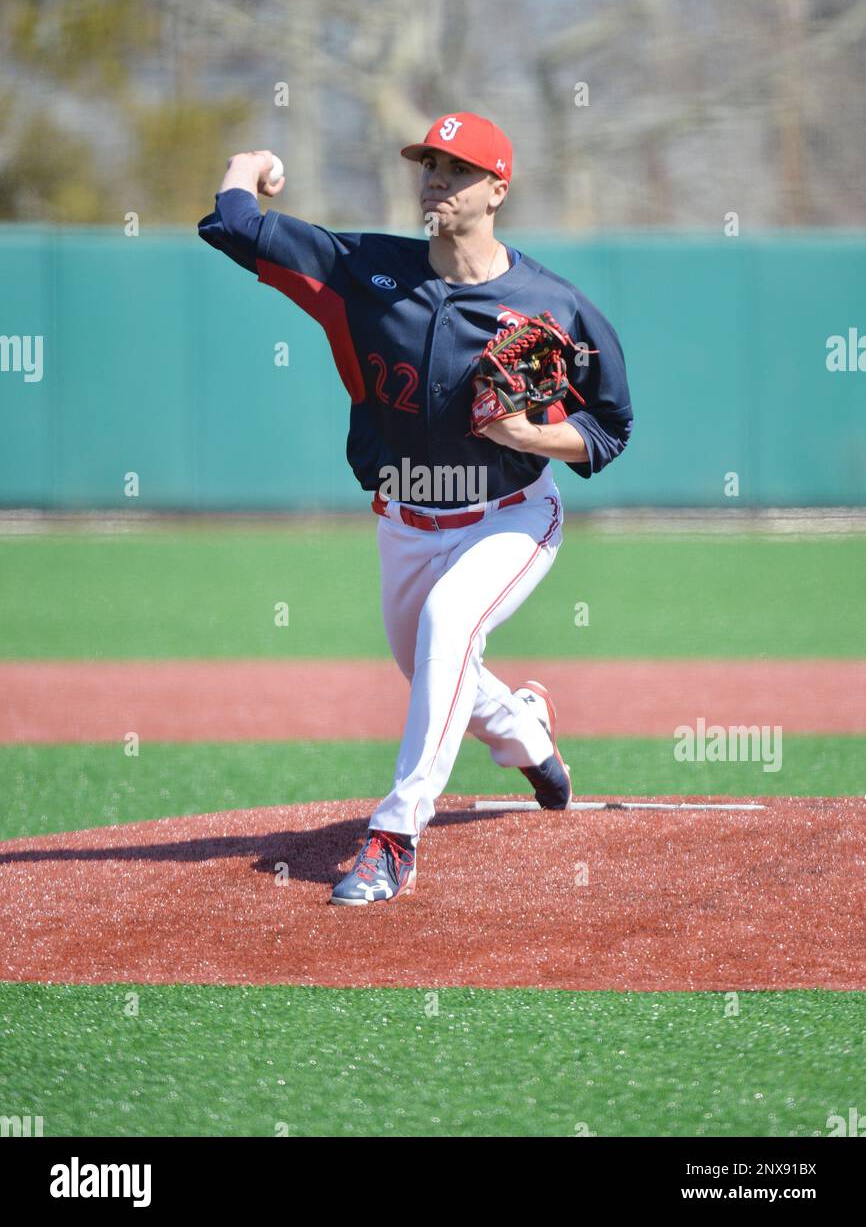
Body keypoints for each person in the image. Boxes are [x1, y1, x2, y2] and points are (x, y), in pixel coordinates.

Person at [198, 111, 633, 906]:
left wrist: (527, 436)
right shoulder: (363, 269)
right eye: (429, 163)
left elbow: (610, 427)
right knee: (431, 663)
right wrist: (245, 159)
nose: (435, 177)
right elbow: (234, 225)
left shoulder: (553, 305)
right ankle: (528, 732)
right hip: (405, 521)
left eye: (456, 168)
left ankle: (395, 837)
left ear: (498, 189)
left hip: (511, 515)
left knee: (448, 629)